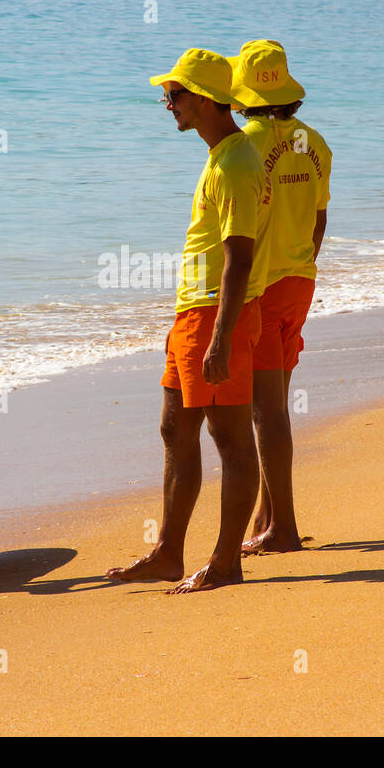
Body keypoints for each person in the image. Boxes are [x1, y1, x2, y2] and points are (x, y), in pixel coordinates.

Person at [107, 49, 271, 593]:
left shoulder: (238, 162)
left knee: (229, 438)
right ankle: (167, 553)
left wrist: (222, 337)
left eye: (173, 95)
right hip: (192, 312)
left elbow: (240, 257)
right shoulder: (222, 154)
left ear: (201, 99)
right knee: (174, 427)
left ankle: (226, 563)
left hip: (214, 315)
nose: (166, 104)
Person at [225, 40, 331, 555]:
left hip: (262, 287)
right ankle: (268, 514)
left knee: (264, 412)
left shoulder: (243, 146)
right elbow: (319, 217)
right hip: (299, 280)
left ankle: (282, 527)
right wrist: (301, 261)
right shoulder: (314, 142)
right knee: (275, 404)